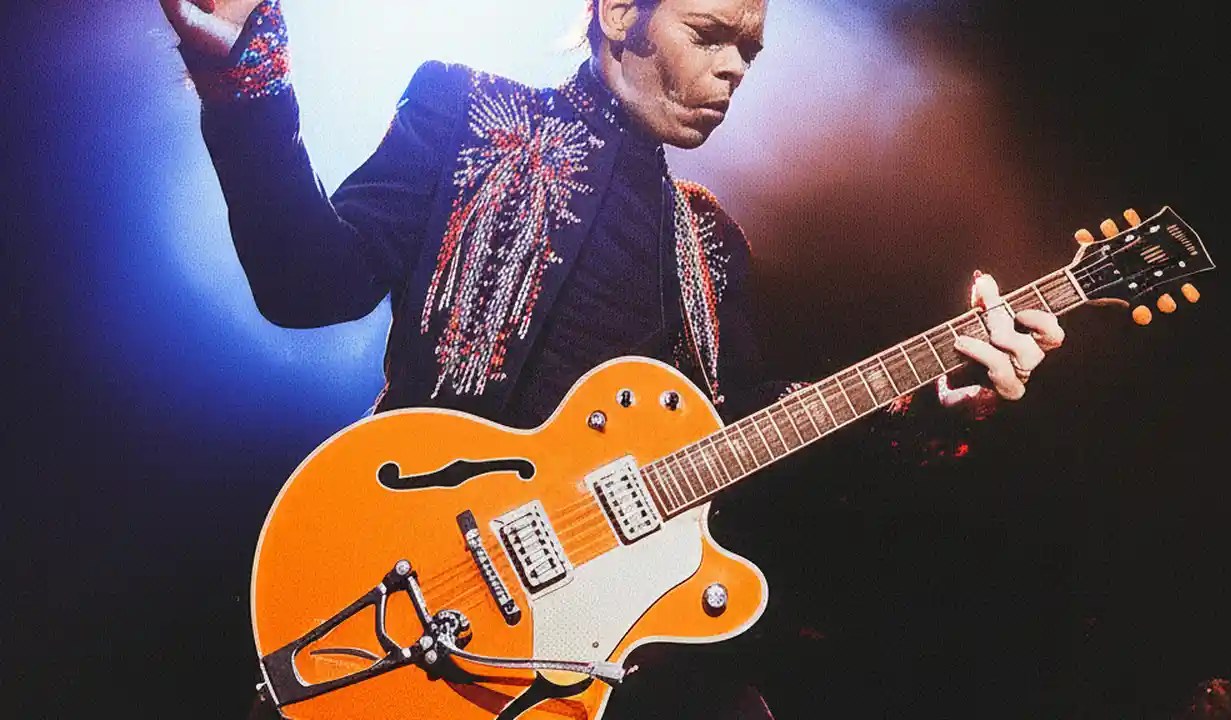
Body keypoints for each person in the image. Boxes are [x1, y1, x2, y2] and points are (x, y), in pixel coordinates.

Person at [162, 0, 1066, 716]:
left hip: (610, 654)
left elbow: (755, 445)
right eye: (709, 35)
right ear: (619, 11)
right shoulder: (471, 113)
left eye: (750, 52)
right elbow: (309, 285)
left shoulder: (711, 244)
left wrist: (928, 404)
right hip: (419, 594)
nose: (734, 70)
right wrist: (241, 73)